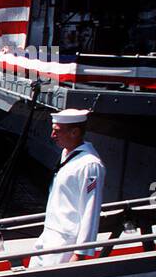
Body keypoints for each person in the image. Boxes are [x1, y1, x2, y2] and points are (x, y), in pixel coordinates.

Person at [31, 109, 106, 267]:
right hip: (49, 234)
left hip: (65, 242)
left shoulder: (89, 165)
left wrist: (80, 253)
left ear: (74, 132)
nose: (52, 136)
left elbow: (90, 210)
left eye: (57, 131)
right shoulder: (67, 154)